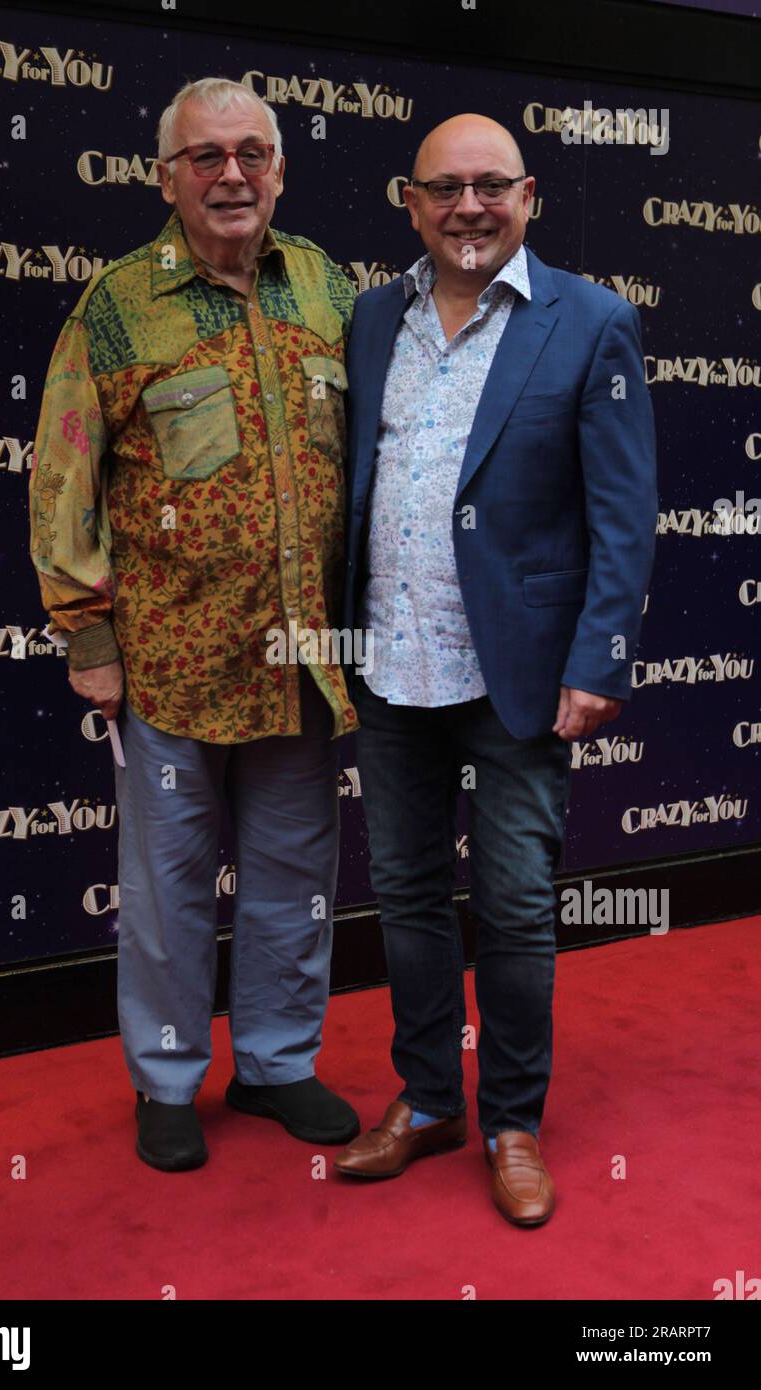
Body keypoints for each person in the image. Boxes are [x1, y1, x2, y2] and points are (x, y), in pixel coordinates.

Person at [28, 77, 360, 1171]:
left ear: (281, 167)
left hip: (303, 658)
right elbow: (65, 471)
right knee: (169, 894)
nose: (232, 174)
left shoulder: (325, 283)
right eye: (206, 156)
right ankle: (167, 1077)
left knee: (293, 876)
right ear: (166, 175)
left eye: (252, 152)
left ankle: (275, 1062)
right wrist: (88, 633)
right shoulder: (119, 302)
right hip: (170, 658)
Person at [334, 114, 657, 1224]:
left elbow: (624, 513)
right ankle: (429, 1102)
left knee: (516, 907)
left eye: (490, 187)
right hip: (390, 666)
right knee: (411, 899)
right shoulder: (375, 316)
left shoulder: (593, 320)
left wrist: (599, 654)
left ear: (530, 196)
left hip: (517, 675)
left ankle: (514, 1120)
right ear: (410, 202)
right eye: (444, 190)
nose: (468, 208)